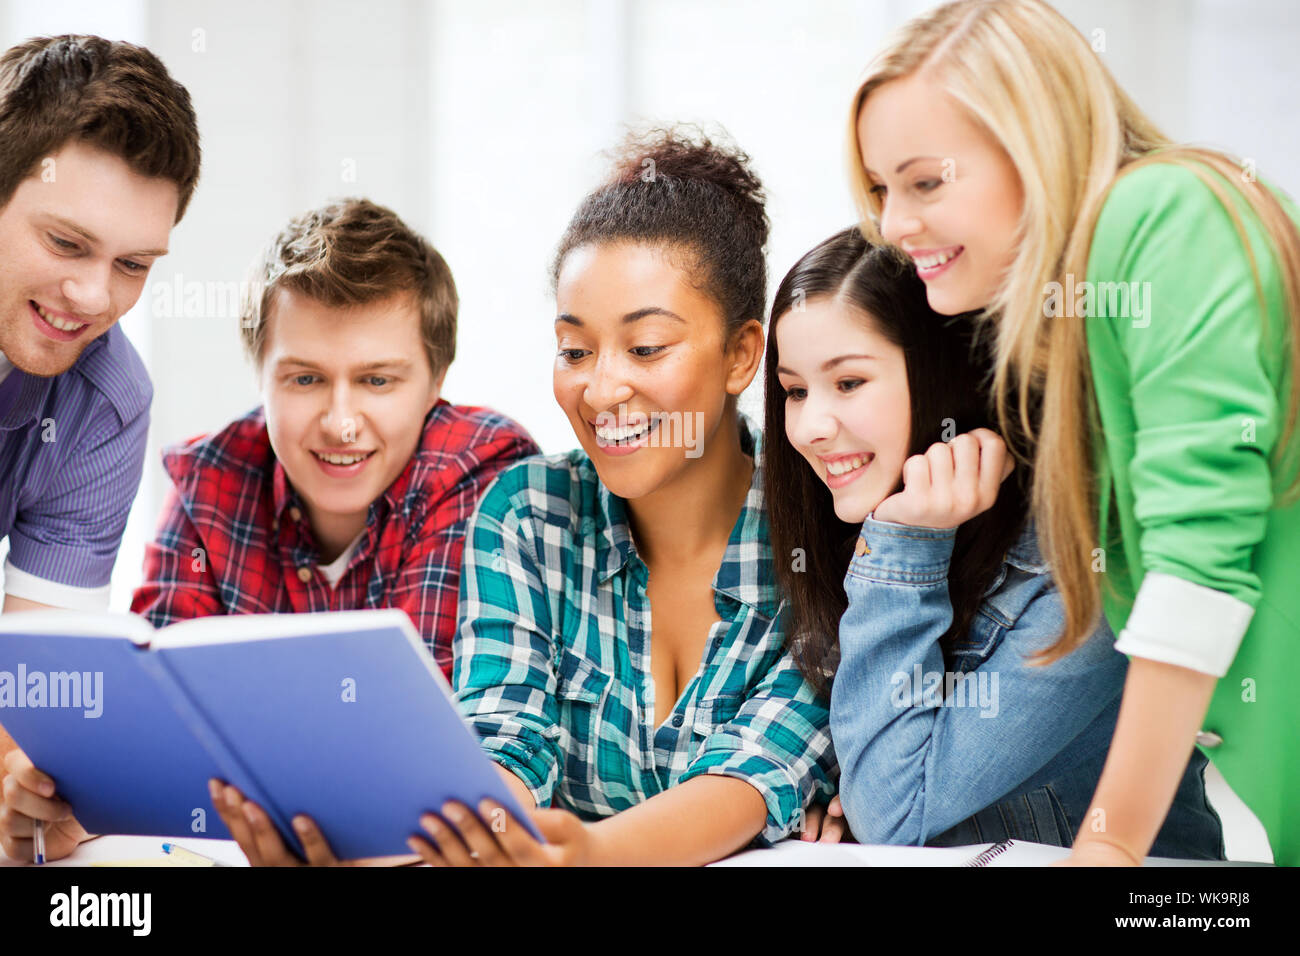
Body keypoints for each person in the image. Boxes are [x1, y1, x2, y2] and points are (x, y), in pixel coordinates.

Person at [211, 127, 837, 866]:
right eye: (575, 350)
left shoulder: (822, 525)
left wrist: (586, 856)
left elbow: (757, 771)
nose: (601, 389)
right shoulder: (526, 513)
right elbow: (504, 733)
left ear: (741, 355)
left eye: (645, 348)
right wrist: (464, 840)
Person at [847, 0, 1300, 865]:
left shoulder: (1161, 212)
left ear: (1035, 142)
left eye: (926, 181)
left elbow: (1199, 563)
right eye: (881, 189)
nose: (893, 226)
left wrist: (1110, 847)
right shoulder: (1078, 339)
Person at [2, 197, 539, 863]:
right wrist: (76, 800)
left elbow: (420, 750)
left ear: (436, 383)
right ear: (260, 375)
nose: (341, 421)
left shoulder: (483, 472)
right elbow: (155, 727)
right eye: (305, 378)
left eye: (377, 380)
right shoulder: (209, 477)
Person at [765, 226, 1223, 856]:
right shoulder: (846, 533)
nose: (812, 428)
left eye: (848, 383)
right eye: (794, 391)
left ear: (944, 377)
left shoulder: (1081, 567)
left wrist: (905, 545)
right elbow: (882, 791)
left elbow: (896, 819)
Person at [0, 34, 200, 865]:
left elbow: (31, 683)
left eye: (133, 264)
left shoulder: (105, 404)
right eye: (66, 244)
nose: (92, 298)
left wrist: (36, 783)